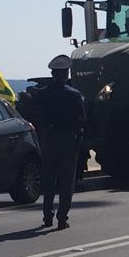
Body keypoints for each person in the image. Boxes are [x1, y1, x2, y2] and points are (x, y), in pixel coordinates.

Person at [35, 55, 86, 229]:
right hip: (68, 140)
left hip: (49, 138)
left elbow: (36, 116)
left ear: (52, 73)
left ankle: (47, 216)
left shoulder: (42, 94)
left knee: (48, 179)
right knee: (67, 181)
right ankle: (62, 217)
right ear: (67, 73)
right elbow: (81, 120)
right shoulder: (74, 95)